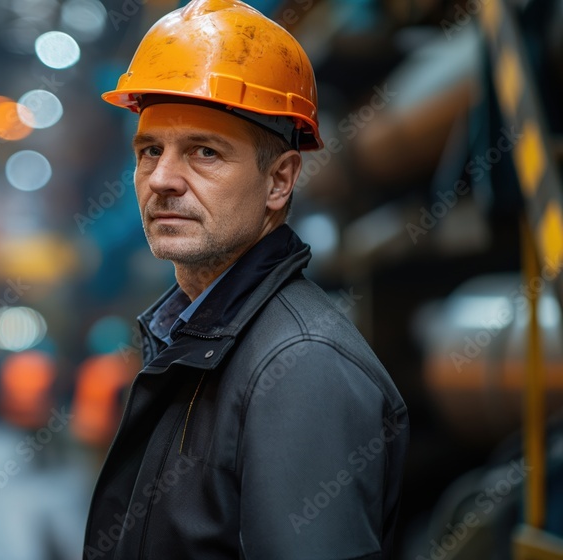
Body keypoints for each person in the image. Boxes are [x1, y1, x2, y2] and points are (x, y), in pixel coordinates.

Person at [83, 1, 409, 558]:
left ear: (279, 181)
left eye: (204, 152)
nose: (162, 179)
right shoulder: (195, 338)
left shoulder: (303, 368)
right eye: (150, 151)